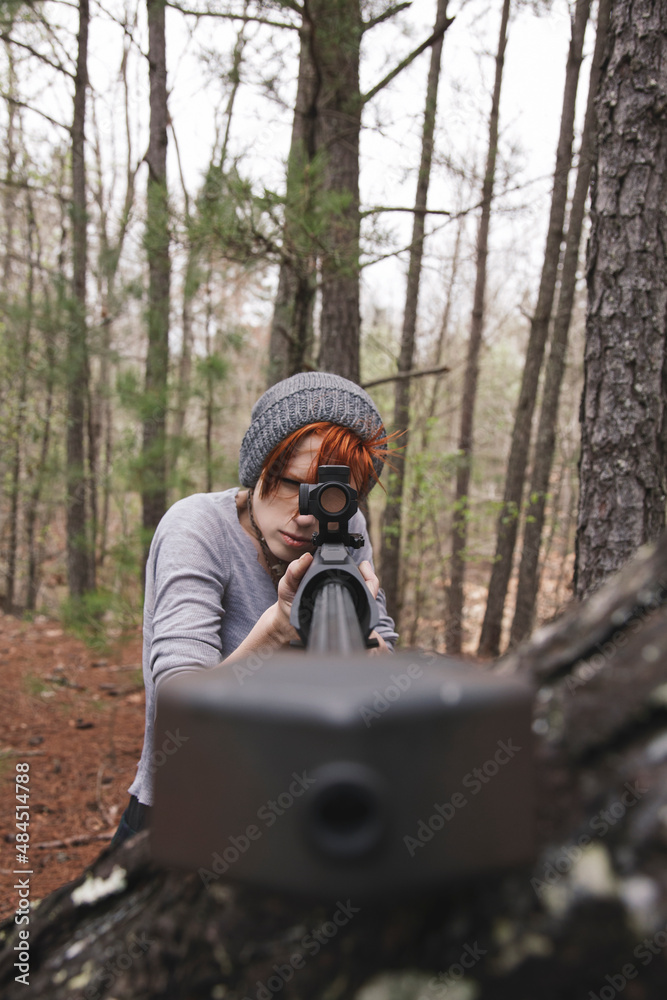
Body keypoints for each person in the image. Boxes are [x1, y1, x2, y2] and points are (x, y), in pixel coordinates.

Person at [112, 371, 398, 846]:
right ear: (260, 467)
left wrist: (370, 647)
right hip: (184, 810)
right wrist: (276, 631)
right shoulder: (198, 527)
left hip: (299, 814)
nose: (309, 514)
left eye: (334, 497)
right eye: (292, 485)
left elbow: (385, 645)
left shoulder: (344, 523)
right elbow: (179, 706)